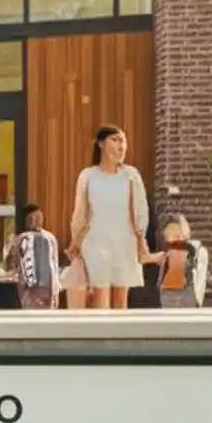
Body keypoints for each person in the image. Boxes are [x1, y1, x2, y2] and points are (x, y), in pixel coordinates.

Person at [68, 125, 150, 310]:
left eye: (123, 141)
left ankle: (121, 339)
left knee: (121, 304)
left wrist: (141, 237)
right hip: (96, 243)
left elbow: (140, 209)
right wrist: (76, 241)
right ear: (101, 144)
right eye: (115, 140)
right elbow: (80, 212)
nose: (121, 146)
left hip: (124, 243)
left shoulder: (131, 176)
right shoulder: (88, 176)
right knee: (101, 303)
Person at [6, 205, 61, 310]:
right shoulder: (22, 238)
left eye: (39, 218)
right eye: (33, 219)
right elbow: (15, 262)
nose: (37, 221)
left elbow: (54, 262)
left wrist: (56, 284)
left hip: (49, 285)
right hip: (29, 287)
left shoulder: (50, 238)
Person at [150, 213, 209, 308]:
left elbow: (198, 273)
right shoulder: (165, 252)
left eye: (177, 234)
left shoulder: (193, 250)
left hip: (186, 292)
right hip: (168, 292)